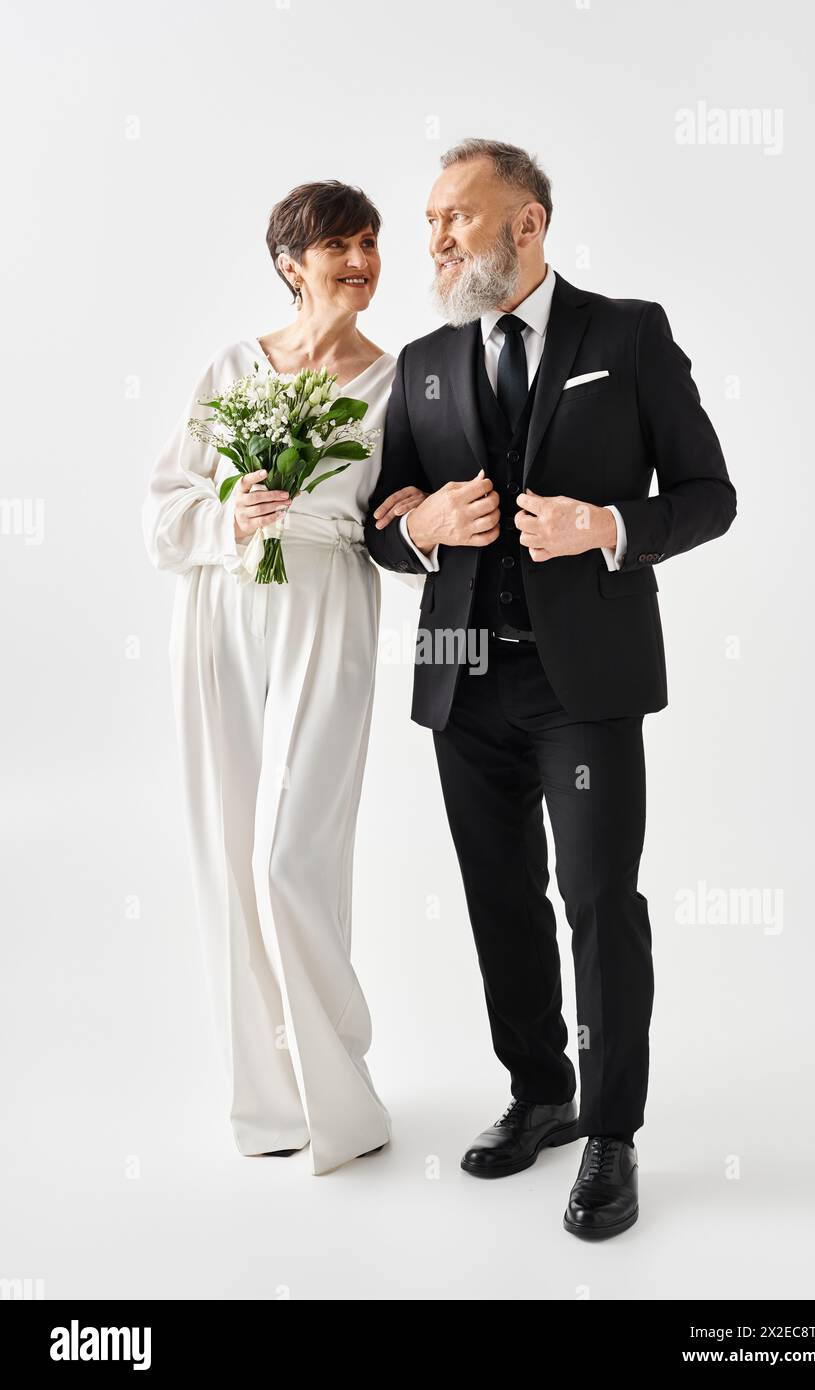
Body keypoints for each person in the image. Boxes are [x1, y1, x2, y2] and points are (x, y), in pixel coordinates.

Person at [364, 138, 736, 1237]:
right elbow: (385, 523)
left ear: (527, 224)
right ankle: (540, 1092)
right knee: (498, 899)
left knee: (596, 898)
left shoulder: (627, 333)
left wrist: (610, 527)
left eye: (455, 218)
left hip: (586, 683)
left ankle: (612, 1132)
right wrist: (423, 528)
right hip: (459, 681)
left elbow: (710, 494)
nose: (432, 237)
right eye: (429, 218)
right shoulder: (423, 360)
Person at [142, 181, 424, 1174]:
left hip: (326, 605)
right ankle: (266, 1102)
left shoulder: (399, 383)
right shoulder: (231, 365)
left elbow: (398, 517)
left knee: (289, 854)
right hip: (221, 603)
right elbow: (163, 510)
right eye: (338, 245)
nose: (360, 261)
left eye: (370, 243)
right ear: (289, 262)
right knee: (227, 850)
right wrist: (231, 512)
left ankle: (338, 1092)